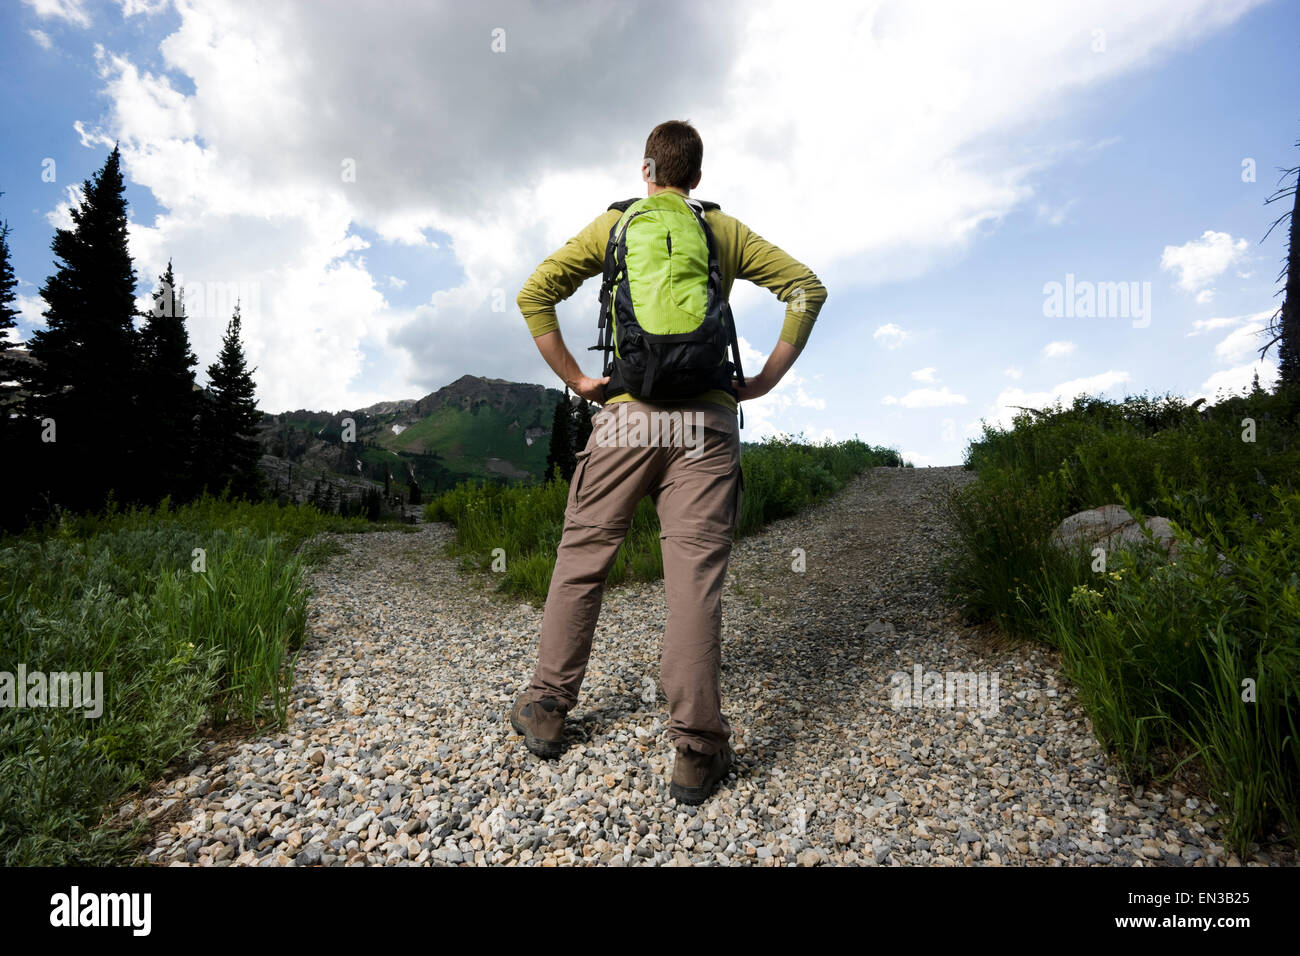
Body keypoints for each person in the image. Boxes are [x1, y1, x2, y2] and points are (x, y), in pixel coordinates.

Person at [509, 119, 826, 804]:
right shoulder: (723, 230)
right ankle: (696, 750)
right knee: (694, 583)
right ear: (698, 177)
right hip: (706, 426)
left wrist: (579, 380)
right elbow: (807, 289)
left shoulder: (615, 226)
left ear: (646, 171)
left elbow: (533, 294)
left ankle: (547, 708)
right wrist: (766, 379)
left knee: (583, 557)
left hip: (625, 418)